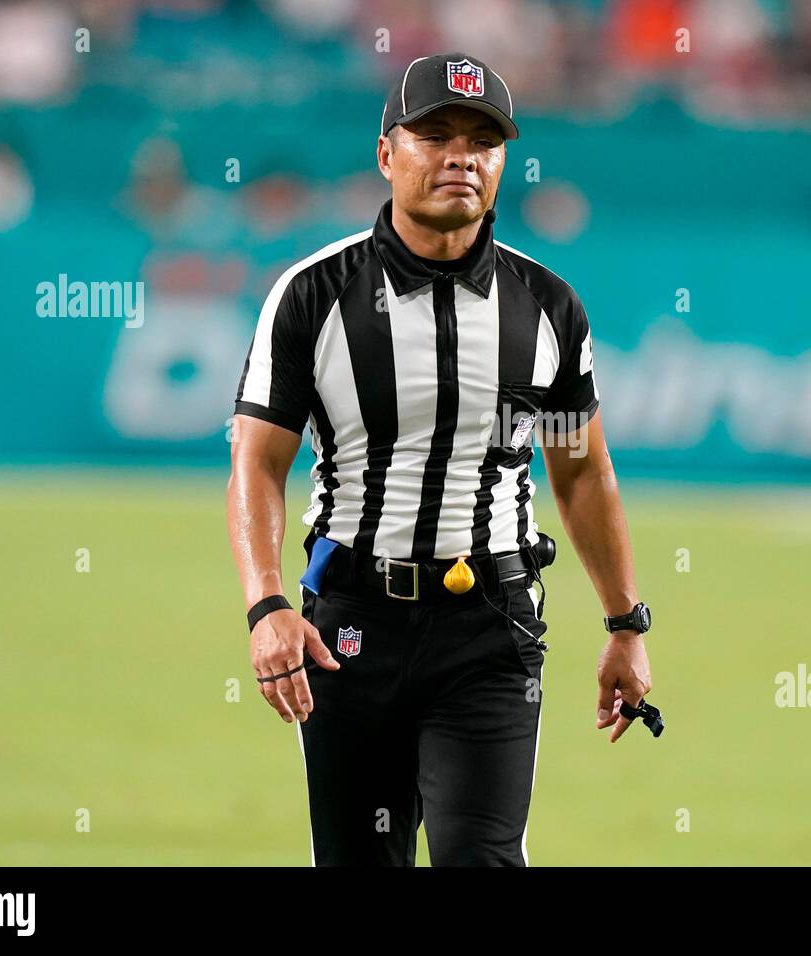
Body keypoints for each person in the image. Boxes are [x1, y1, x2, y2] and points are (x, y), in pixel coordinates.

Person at [226, 53, 655, 866]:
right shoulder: (314, 294)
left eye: (483, 140)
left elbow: (580, 471)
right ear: (387, 154)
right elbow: (256, 463)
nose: (461, 154)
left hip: (489, 629)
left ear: (502, 164)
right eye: (436, 134)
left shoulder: (548, 308)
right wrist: (266, 603)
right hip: (350, 625)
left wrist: (626, 623)